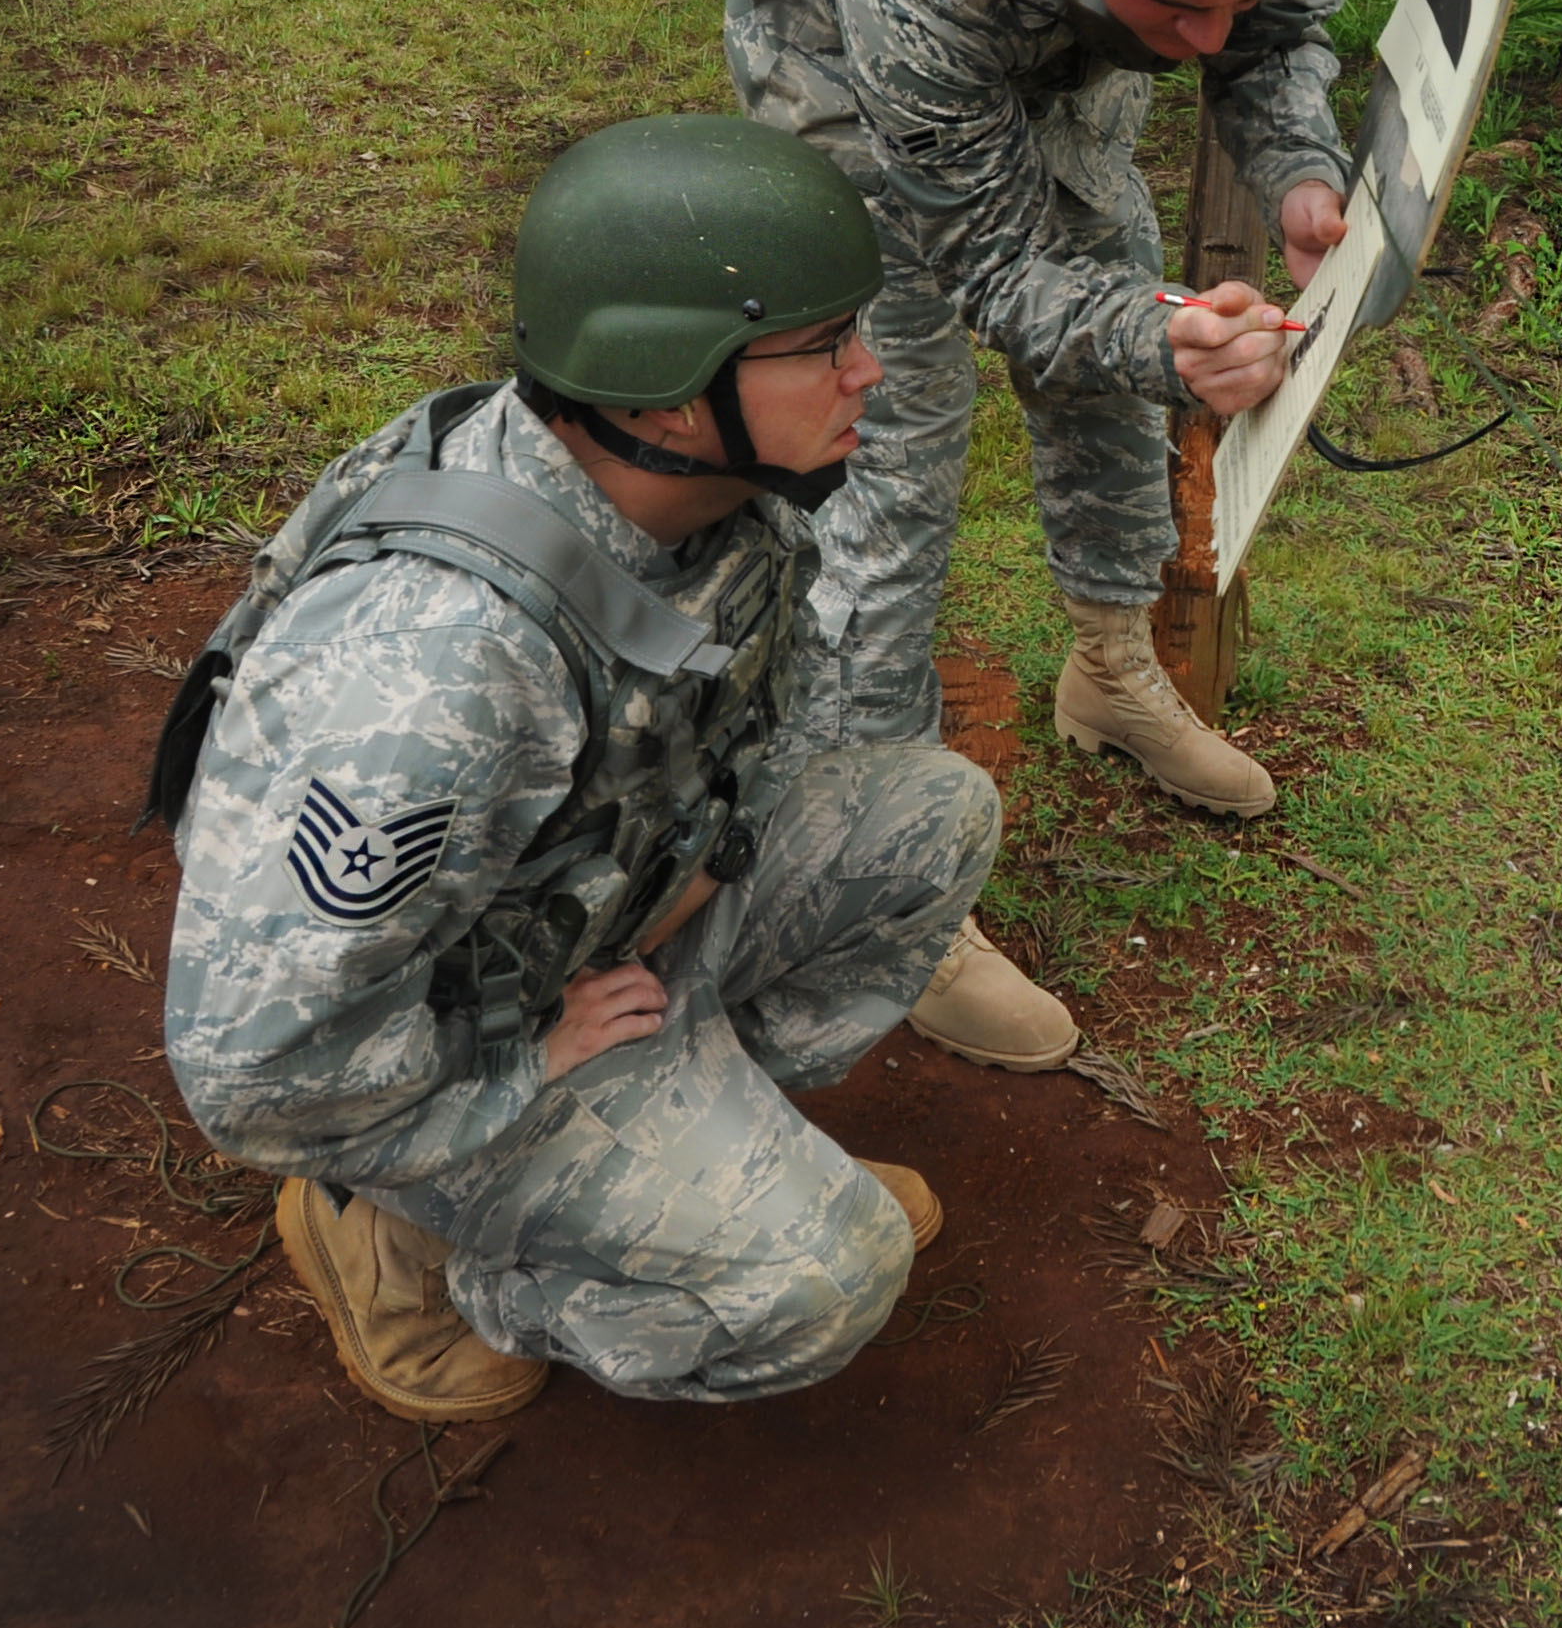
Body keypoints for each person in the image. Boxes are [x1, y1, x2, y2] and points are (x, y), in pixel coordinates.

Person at [157, 116, 1069, 1421]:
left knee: (932, 818)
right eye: (820, 347)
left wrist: (699, 869)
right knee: (830, 1278)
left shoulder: (695, 491)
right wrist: (521, 1066)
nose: (870, 372)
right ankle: (450, 1257)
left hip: (579, 924)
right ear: (662, 387)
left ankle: (685, 1158)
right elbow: (257, 1068)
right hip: (444, 1043)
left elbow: (732, 716)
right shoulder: (431, 682)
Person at [727, 0, 1353, 821]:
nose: (1206, 38)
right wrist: (1168, 341)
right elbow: (1003, 274)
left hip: (1051, 7)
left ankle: (1112, 670)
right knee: (891, 425)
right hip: (841, 40)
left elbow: (1277, 28)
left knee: (1111, 254)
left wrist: (1301, 171)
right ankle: (873, 832)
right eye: (1177, 5)